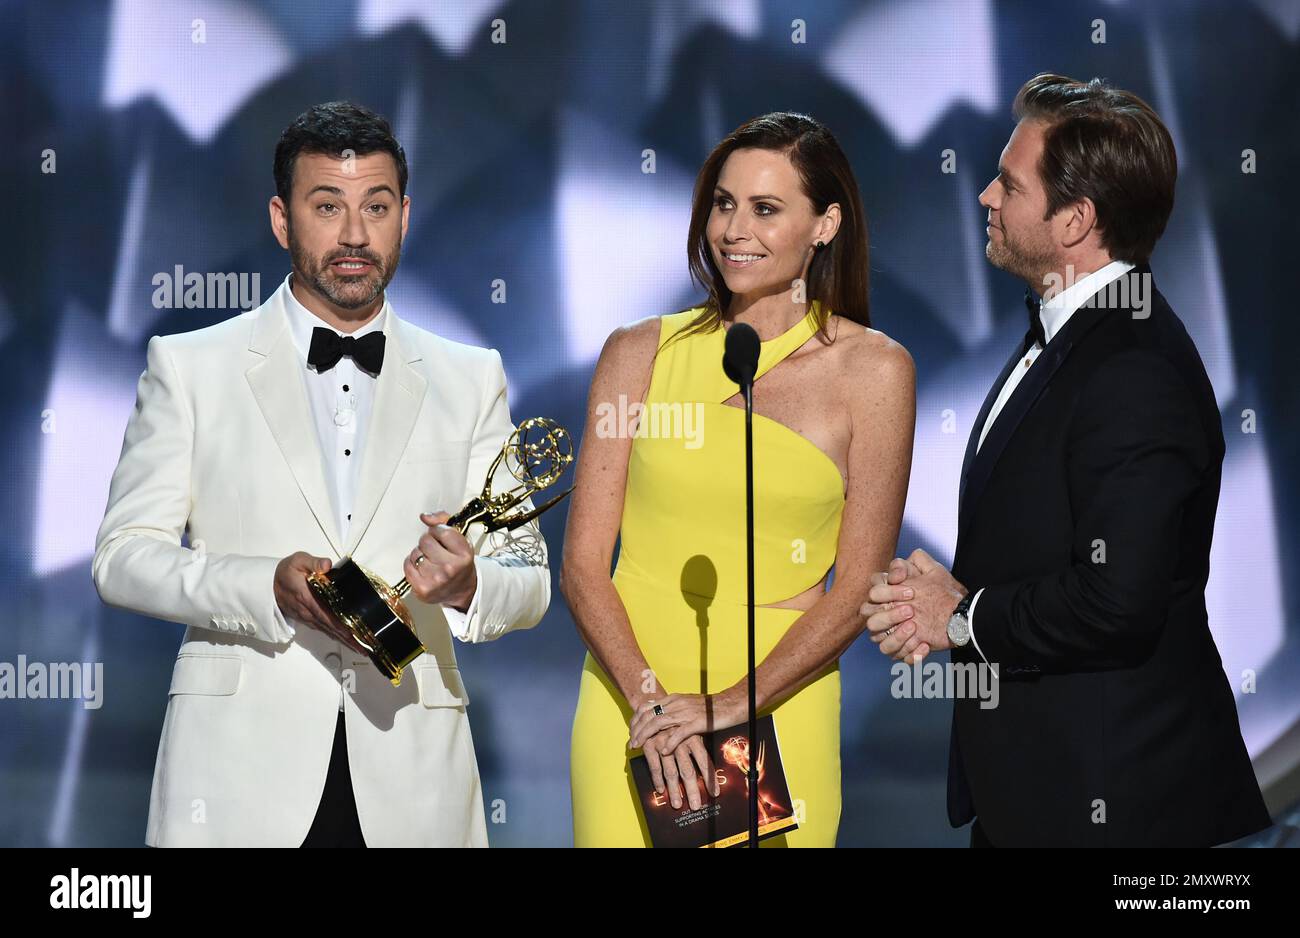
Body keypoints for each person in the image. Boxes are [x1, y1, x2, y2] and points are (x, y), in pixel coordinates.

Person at [92, 101, 550, 847]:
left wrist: (468, 584)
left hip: (412, 778)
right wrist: (262, 583)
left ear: (406, 216)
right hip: (237, 777)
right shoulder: (191, 366)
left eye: (376, 206)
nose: (354, 235)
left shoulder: (471, 377)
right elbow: (122, 560)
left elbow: (528, 579)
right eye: (326, 206)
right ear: (282, 220)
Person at [862, 74, 1272, 847]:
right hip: (1041, 798)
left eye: (1009, 185)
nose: (984, 194)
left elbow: (1119, 597)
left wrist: (961, 615)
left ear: (1077, 220)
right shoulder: (1080, 334)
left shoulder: (1132, 366)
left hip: (1118, 807)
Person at [563, 112, 915, 846]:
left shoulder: (876, 371)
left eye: (765, 209)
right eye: (724, 204)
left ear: (825, 225)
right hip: (633, 695)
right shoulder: (636, 354)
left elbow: (857, 586)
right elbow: (584, 566)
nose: (733, 229)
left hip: (780, 698)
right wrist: (655, 705)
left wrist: (725, 705)